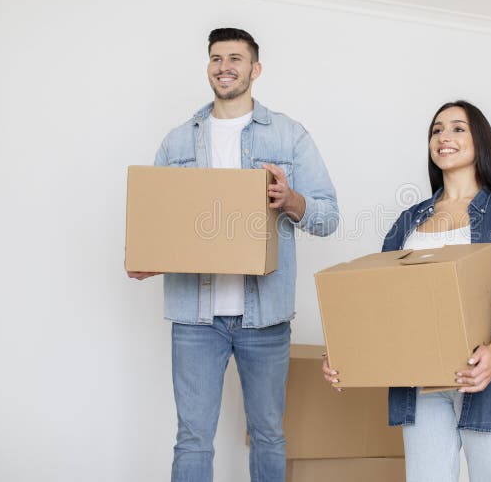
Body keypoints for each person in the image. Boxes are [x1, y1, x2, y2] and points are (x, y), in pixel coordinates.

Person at [129, 27, 339, 482]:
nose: (224, 67)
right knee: (192, 439)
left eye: (235, 59)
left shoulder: (289, 135)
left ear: (255, 69)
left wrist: (292, 201)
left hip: (264, 318)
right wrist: (148, 257)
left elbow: (328, 217)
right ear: (208, 66)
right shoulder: (177, 142)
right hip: (195, 318)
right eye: (216, 58)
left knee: (268, 434)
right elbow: (158, 221)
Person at [322, 100, 491, 482]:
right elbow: (378, 296)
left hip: (487, 377)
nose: (444, 137)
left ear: (480, 141)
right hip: (419, 384)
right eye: (436, 130)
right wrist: (345, 352)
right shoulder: (409, 221)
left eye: (457, 128)